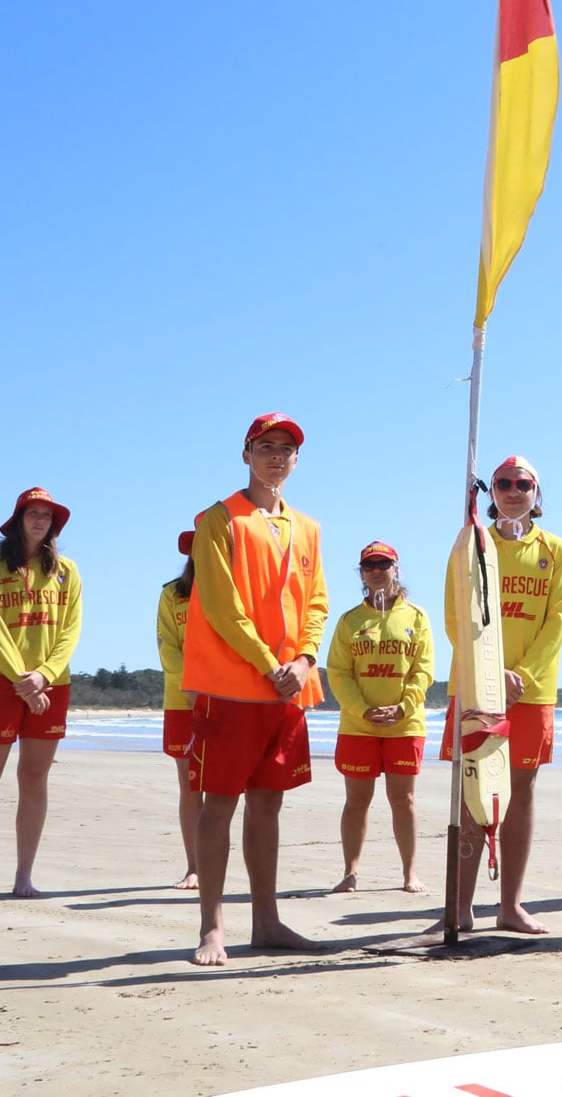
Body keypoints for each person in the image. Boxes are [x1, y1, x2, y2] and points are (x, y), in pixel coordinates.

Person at [183, 412, 331, 965]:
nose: (276, 456)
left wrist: (305, 658)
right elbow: (221, 605)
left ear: (296, 460)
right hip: (234, 685)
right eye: (266, 446)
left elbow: (316, 601)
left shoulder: (309, 528)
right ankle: (212, 928)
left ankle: (266, 921)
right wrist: (272, 663)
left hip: (290, 689)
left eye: (286, 448)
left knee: (268, 805)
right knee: (217, 804)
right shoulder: (220, 519)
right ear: (246, 454)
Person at [446, 456, 562, 935]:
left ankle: (510, 906)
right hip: (479, 686)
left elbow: (556, 623)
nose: (513, 491)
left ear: (537, 492)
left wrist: (520, 674)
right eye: (503, 483)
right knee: (472, 794)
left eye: (523, 484)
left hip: (531, 691)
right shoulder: (472, 545)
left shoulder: (555, 550)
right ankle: (459, 907)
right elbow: (456, 617)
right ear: (492, 490)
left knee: (520, 795)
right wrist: (492, 672)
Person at [0, 487, 82, 901]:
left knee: (34, 778)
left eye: (47, 515)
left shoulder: (67, 571)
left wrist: (43, 676)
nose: (40, 520)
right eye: (33, 513)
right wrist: (22, 680)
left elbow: (70, 631)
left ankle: (23, 876)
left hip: (52, 685)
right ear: (18, 519)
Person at [326, 541, 434, 895]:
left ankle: (410, 874)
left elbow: (423, 671)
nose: (376, 570)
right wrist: (363, 709)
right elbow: (339, 674)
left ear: (396, 569)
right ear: (361, 573)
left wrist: (403, 707)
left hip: (405, 724)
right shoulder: (350, 621)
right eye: (369, 565)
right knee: (357, 800)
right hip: (359, 726)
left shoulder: (416, 617)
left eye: (383, 564)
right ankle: (350, 872)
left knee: (403, 800)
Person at [154, 529, 201, 890]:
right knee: (190, 786)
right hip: (181, 699)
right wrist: (190, 684)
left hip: (228, 698)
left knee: (226, 788)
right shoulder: (172, 593)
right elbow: (168, 645)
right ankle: (194, 866)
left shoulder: (236, 589)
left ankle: (220, 864)